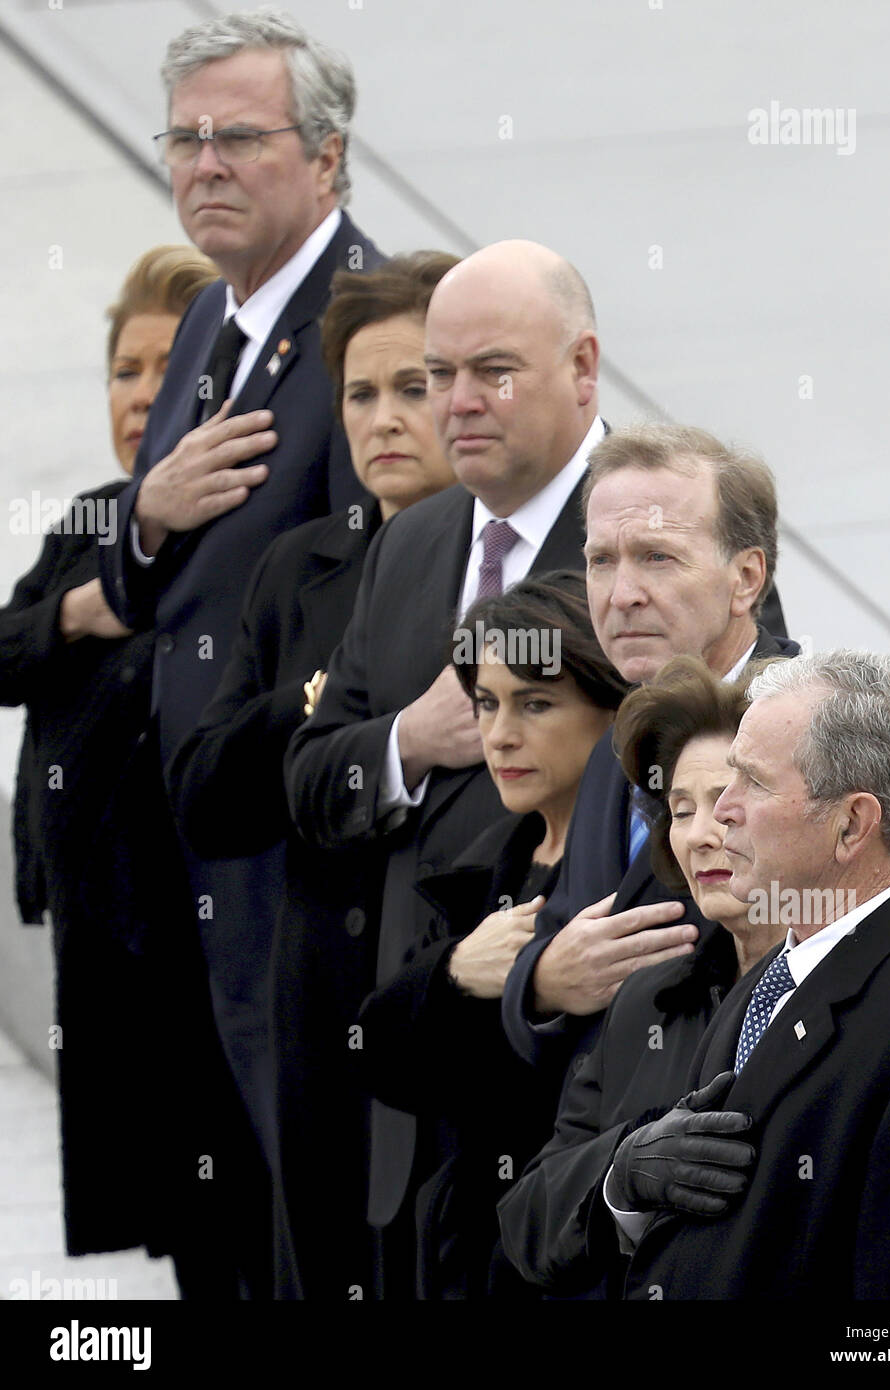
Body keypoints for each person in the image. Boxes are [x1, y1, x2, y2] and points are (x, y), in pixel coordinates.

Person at [96, 10, 384, 1291]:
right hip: (195, 844)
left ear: (325, 158)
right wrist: (146, 521)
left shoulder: (364, 328)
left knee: (314, 1199)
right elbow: (144, 558)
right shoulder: (212, 319)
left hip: (287, 838)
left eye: (239, 138)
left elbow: (363, 597)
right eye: (185, 138)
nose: (203, 164)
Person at [284, 238, 623, 1296]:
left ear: (582, 367)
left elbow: (709, 780)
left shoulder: (656, 530)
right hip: (415, 1089)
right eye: (442, 376)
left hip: (571, 1101)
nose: (455, 403)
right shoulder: (416, 542)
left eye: (494, 372)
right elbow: (310, 781)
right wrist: (408, 742)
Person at [166, 251, 459, 1298]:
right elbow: (204, 795)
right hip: (320, 992)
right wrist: (316, 705)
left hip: (456, 995)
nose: (383, 417)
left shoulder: (520, 568)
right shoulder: (301, 569)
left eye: (414, 388)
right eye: (360, 393)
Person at [564, 651, 890, 1299]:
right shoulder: (778, 974)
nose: (722, 812)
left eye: (753, 783)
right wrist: (623, 1181)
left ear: (852, 823)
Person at [0, 245, 258, 1295]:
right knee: (165, 1211)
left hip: (201, 937)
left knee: (230, 1209)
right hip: (101, 935)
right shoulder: (95, 522)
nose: (141, 392)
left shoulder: (249, 527)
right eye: (124, 369)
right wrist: (80, 611)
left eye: (168, 370)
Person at [502, 423, 799, 1095]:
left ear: (744, 577)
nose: (621, 592)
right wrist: (544, 980)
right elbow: (559, 936)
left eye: (656, 558)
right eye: (601, 560)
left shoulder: (821, 738)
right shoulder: (621, 740)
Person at [358, 571, 629, 1298]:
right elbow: (381, 1053)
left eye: (535, 704)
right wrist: (452, 972)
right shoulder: (484, 864)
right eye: (485, 704)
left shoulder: (640, 876)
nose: (498, 734)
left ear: (612, 713)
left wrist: (526, 982)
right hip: (470, 1252)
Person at [497, 654, 786, 1296]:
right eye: (681, 810)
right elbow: (527, 1221)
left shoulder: (852, 990)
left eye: (727, 802)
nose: (702, 835)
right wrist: (620, 1172)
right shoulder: (648, 1000)